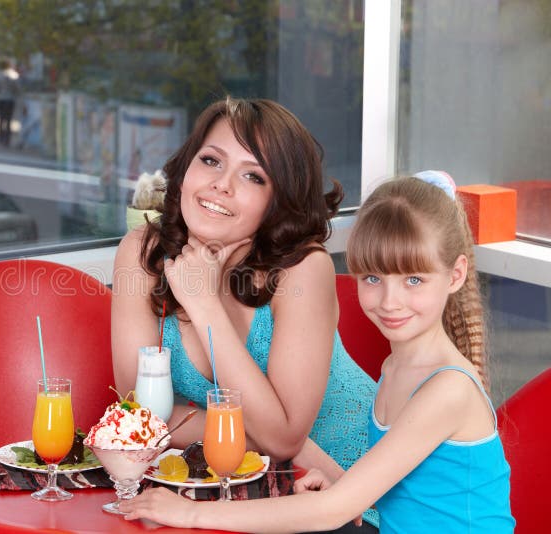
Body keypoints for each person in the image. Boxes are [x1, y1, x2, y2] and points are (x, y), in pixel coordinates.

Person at [120, 173, 515, 533]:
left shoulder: (448, 389)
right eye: (373, 278)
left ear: (456, 275)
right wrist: (344, 483)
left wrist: (188, 512)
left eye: (413, 279)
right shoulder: (396, 367)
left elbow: (332, 511)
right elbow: (418, 497)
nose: (391, 301)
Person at [111, 97, 378, 530]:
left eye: (253, 175)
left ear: (279, 202)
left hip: (336, 498)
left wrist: (203, 303)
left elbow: (283, 438)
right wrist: (280, 441)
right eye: (211, 160)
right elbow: (139, 411)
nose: (222, 185)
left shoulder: (303, 269)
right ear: (186, 170)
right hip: (228, 494)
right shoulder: (142, 253)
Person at [0, 59, 21, 146]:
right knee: (8, 120)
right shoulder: (14, 75)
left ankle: (0, 137)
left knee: (1, 119)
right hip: (10, 100)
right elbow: (18, 89)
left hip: (1, 99)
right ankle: (7, 138)